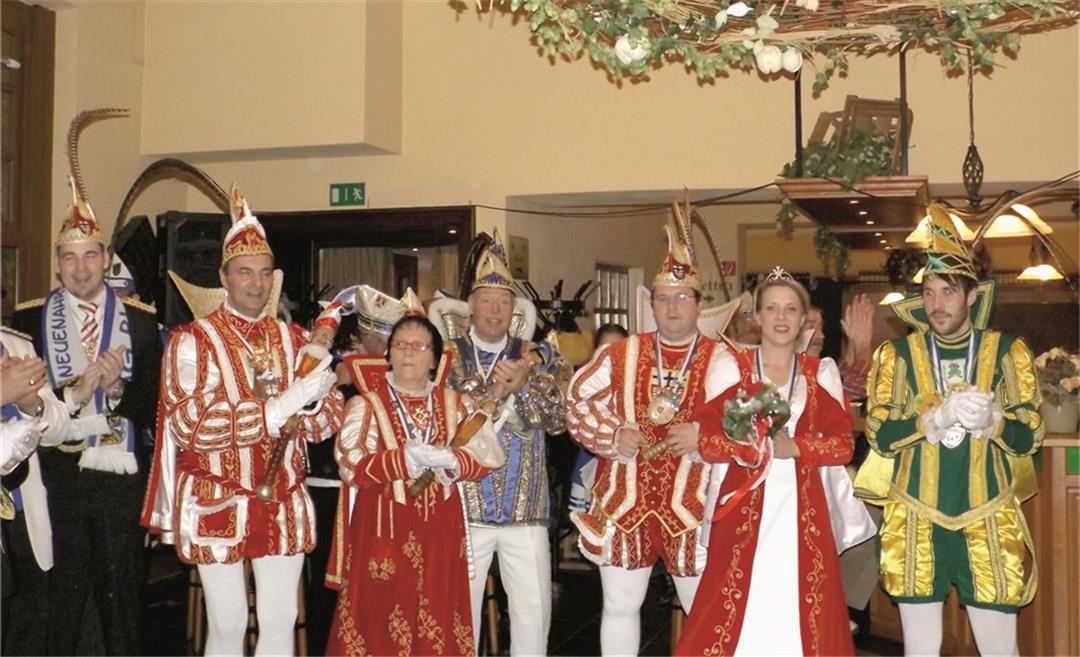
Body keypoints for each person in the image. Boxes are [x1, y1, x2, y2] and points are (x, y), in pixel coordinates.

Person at [146, 186, 343, 655]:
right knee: (228, 625)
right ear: (224, 277)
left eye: (263, 273)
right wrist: (280, 408)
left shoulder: (295, 338)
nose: (255, 283)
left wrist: (311, 408)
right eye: (244, 272)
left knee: (280, 623)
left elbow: (328, 419)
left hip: (284, 497)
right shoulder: (193, 341)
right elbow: (191, 424)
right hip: (219, 498)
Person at [856, 205, 1042, 657]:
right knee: (920, 648)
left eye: (949, 292)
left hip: (989, 513)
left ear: (973, 295)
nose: (937, 304)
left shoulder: (1006, 353)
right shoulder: (896, 355)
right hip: (916, 516)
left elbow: (1030, 435)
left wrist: (996, 422)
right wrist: (931, 421)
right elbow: (878, 433)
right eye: (930, 292)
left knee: (1000, 649)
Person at [566, 205, 737, 657]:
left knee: (703, 611)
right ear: (651, 304)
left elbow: (746, 422)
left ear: (700, 304)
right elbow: (577, 399)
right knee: (620, 606)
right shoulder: (622, 354)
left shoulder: (723, 359)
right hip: (626, 501)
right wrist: (611, 435)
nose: (671, 306)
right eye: (663, 297)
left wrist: (706, 438)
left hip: (694, 507)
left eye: (682, 297)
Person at [675, 267, 860, 656]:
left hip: (803, 515)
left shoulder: (819, 375)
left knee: (801, 607)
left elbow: (843, 445)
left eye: (791, 309)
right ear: (756, 317)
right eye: (772, 308)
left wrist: (798, 448)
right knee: (735, 607)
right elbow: (705, 440)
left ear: (803, 319)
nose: (781, 317)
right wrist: (749, 447)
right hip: (741, 513)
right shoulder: (731, 368)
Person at [12, 179, 162, 655]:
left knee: (122, 594)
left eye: (91, 256)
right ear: (57, 265)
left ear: (106, 259)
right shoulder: (28, 320)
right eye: (70, 258)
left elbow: (155, 401)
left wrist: (116, 388)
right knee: (64, 591)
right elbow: (22, 395)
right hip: (56, 471)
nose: (81, 269)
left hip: (121, 474)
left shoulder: (139, 320)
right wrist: (76, 391)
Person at [326, 309, 504, 656]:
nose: (408, 352)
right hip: (383, 527)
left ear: (436, 358)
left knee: (437, 612)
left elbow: (489, 455)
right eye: (401, 344)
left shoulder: (457, 405)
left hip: (440, 530)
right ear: (388, 353)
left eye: (419, 346)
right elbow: (351, 463)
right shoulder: (367, 405)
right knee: (379, 619)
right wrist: (402, 460)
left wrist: (454, 462)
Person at [433, 230, 567, 656]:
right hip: (462, 510)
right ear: (470, 306)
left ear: (514, 310)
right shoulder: (444, 357)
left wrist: (524, 386)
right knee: (459, 618)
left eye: (503, 302)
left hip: (524, 511)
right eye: (486, 300)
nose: (494, 310)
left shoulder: (538, 355)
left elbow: (559, 420)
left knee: (532, 616)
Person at [307, 285, 404, 656]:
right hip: (330, 485)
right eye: (370, 336)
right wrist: (337, 382)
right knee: (331, 586)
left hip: (385, 490)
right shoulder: (334, 368)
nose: (376, 346)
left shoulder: (406, 375)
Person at [1, 327, 72, 656]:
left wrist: (32, 405)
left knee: (29, 623)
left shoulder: (17, 344)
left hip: (23, 512)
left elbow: (59, 429)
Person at [567, 323, 628, 513]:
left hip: (627, 465)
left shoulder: (636, 381)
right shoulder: (585, 384)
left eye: (617, 348)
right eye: (604, 349)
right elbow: (574, 431)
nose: (610, 355)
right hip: (592, 460)